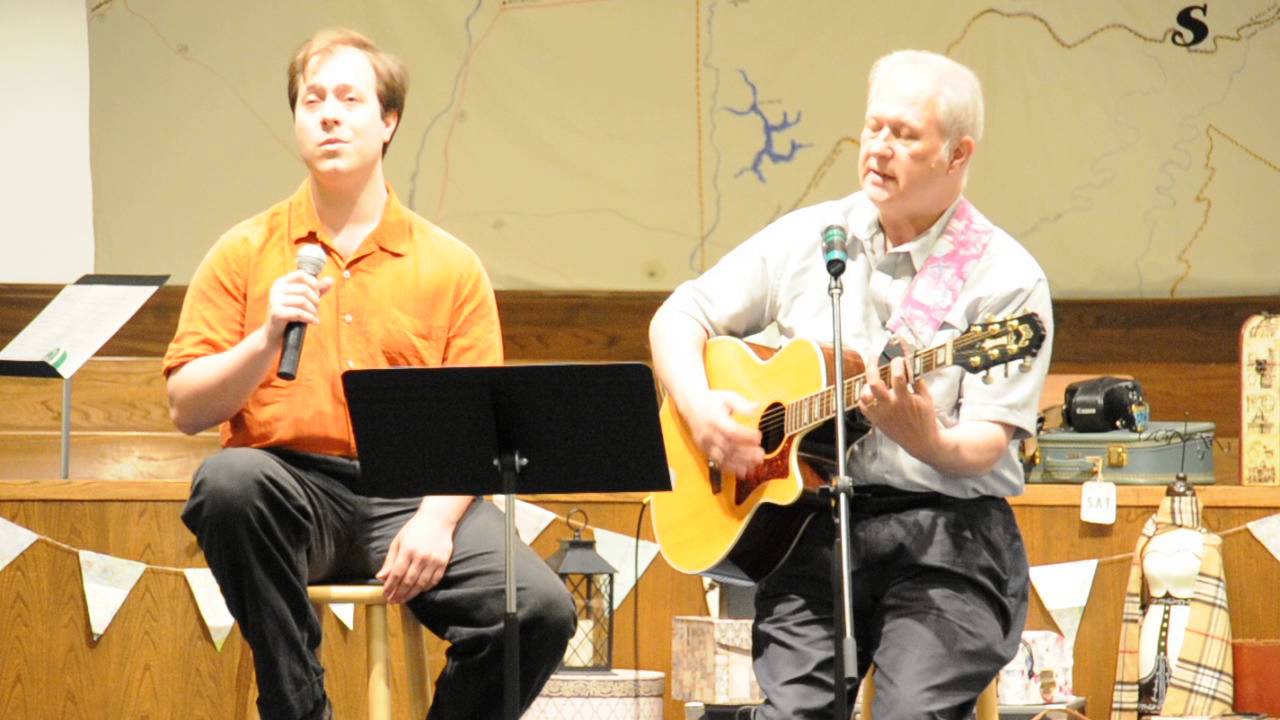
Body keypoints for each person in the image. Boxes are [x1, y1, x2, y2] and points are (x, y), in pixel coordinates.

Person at [164, 28, 575, 720]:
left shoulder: (448, 264)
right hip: (292, 492)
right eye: (312, 100)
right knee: (228, 484)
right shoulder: (244, 251)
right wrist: (266, 339)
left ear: (388, 122)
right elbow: (186, 407)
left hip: (417, 495)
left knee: (539, 609)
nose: (328, 114)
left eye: (350, 99)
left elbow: (479, 425)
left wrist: (438, 524)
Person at [649, 50, 1054, 719]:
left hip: (947, 543)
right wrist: (701, 414)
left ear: (958, 154)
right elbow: (679, 316)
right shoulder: (816, 235)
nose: (879, 149)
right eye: (873, 128)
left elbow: (987, 444)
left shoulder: (1008, 279)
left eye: (904, 135)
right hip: (810, 529)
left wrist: (927, 438)